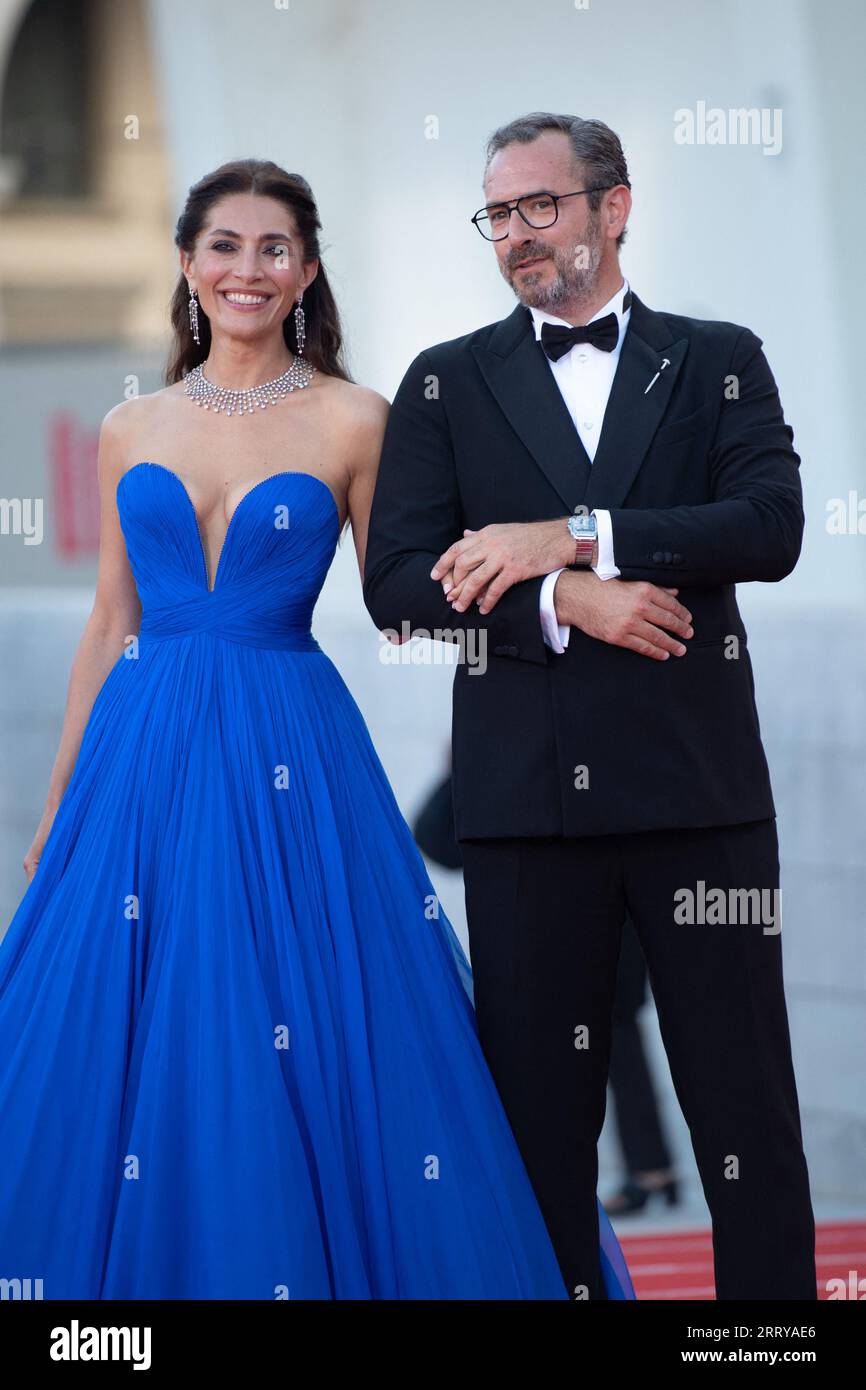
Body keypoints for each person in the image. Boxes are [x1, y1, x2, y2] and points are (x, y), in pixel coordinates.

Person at [0, 158, 633, 1301]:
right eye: (226, 246)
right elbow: (109, 620)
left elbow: (409, 584)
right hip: (137, 757)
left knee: (304, 1007)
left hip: (288, 756)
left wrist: (563, 578)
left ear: (305, 271)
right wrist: (56, 808)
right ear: (189, 265)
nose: (249, 269)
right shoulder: (127, 423)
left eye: (274, 248)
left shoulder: (353, 415)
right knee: (122, 1011)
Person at [363, 112, 817, 1300]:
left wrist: (575, 535)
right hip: (522, 816)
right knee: (538, 1133)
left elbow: (769, 526)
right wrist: (568, 599)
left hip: (698, 800)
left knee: (745, 1119)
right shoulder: (441, 383)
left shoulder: (719, 355)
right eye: (496, 214)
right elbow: (398, 585)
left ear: (612, 207)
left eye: (538, 206)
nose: (513, 235)